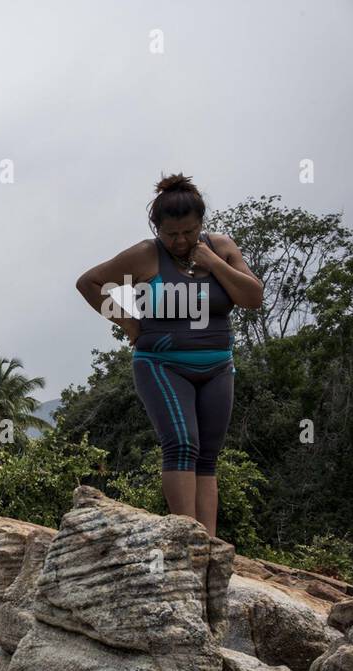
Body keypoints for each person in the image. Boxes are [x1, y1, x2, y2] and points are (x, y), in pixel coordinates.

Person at [75, 173, 263, 536]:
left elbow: (252, 297)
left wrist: (214, 263)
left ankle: (207, 543)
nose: (180, 241)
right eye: (171, 234)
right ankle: (186, 536)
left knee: (207, 457)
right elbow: (90, 283)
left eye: (189, 232)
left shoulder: (221, 247)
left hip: (218, 367)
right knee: (181, 444)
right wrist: (129, 325)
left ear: (201, 225)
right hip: (162, 365)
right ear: (157, 229)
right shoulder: (146, 255)